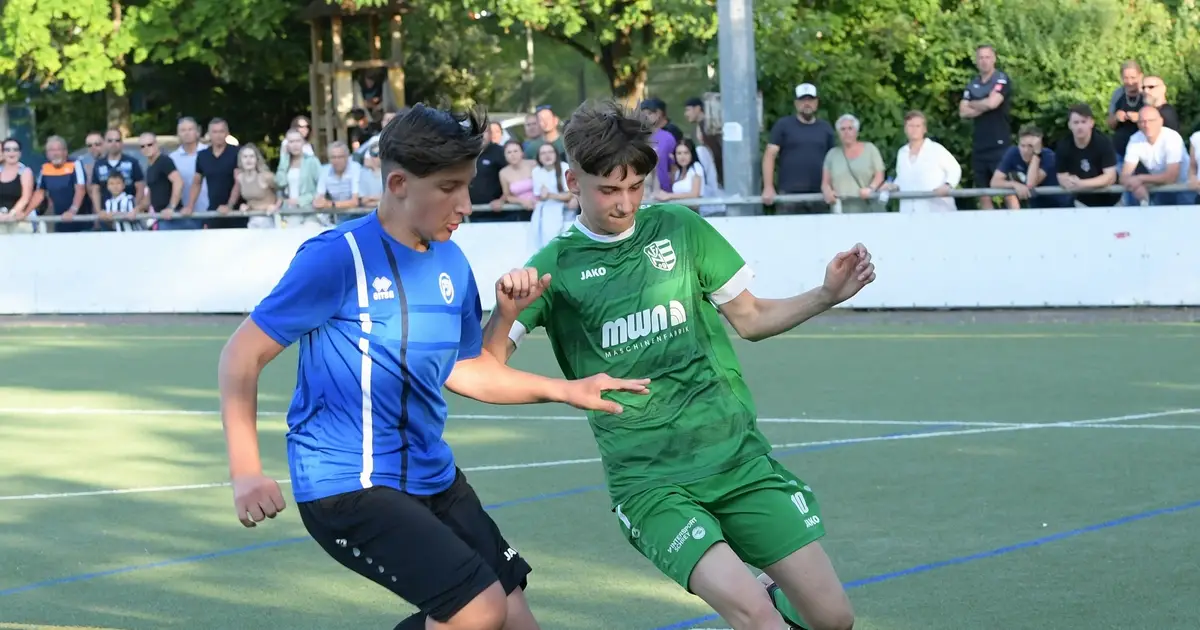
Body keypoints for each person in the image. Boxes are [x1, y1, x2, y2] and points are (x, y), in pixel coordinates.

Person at [217, 104, 651, 630]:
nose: (466, 204)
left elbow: (467, 369)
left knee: (516, 620)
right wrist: (245, 470)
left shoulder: (452, 263)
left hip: (432, 475)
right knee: (478, 611)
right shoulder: (338, 257)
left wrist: (568, 390)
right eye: (450, 187)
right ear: (399, 183)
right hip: (346, 483)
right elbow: (242, 354)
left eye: (468, 185)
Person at [480, 100, 875, 630]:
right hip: (651, 482)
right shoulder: (554, 267)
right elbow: (487, 366)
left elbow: (751, 318)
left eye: (635, 187)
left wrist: (826, 294)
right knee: (758, 618)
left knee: (834, 620)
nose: (624, 204)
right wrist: (505, 315)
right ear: (572, 180)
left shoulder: (679, 228)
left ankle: (773, 593)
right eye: (608, 189)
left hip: (736, 458)